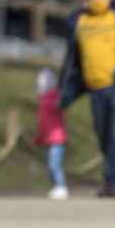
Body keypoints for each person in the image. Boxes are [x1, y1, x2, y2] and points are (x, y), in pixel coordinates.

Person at [57, 0, 115, 197]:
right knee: (103, 134)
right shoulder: (79, 21)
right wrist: (64, 93)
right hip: (94, 87)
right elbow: (71, 59)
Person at [34, 68, 69, 200]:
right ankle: (56, 185)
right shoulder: (42, 102)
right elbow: (42, 125)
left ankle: (61, 186)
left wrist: (49, 101)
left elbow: (61, 106)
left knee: (54, 164)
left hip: (57, 138)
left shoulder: (55, 96)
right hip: (47, 139)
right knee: (50, 165)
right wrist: (38, 138)